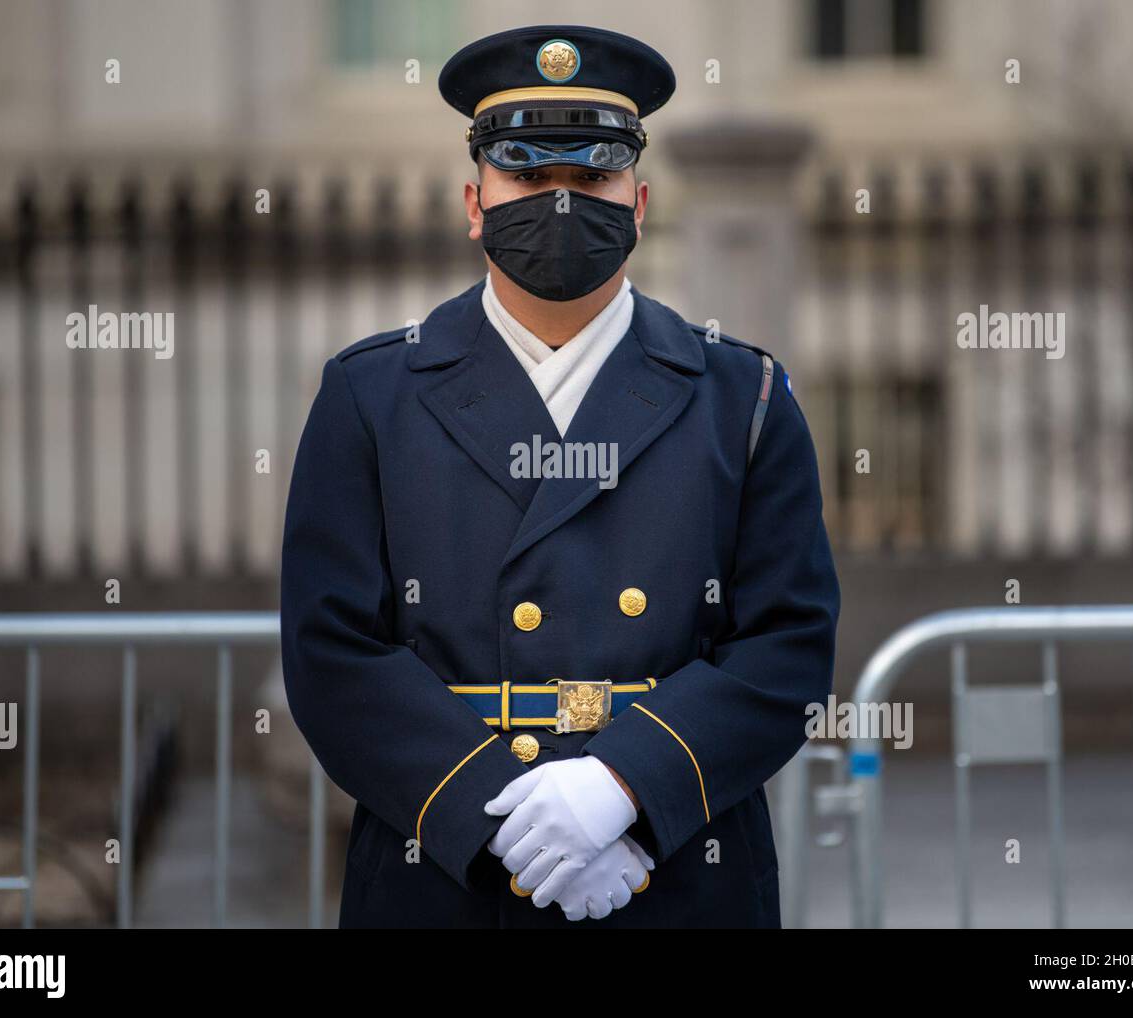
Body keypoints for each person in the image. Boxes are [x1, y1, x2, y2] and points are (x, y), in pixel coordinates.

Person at [281, 24, 839, 929]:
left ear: (640, 202)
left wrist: (625, 786)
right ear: (475, 202)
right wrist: (497, 816)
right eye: (530, 177)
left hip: (679, 870)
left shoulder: (744, 398)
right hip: (446, 875)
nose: (562, 202)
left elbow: (788, 646)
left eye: (592, 177)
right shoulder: (371, 395)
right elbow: (331, 654)